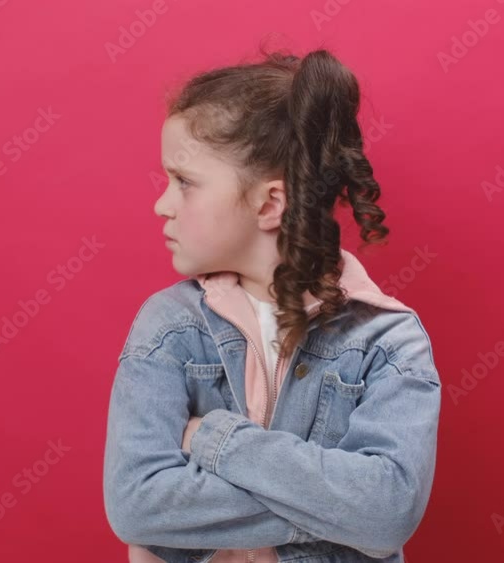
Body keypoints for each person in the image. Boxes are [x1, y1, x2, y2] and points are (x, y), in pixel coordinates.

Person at [103, 44, 442, 563]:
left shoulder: (390, 342)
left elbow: (389, 511)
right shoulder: (168, 326)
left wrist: (216, 440)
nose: (161, 204)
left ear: (268, 203)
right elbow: (137, 506)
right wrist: (337, 511)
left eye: (185, 182)